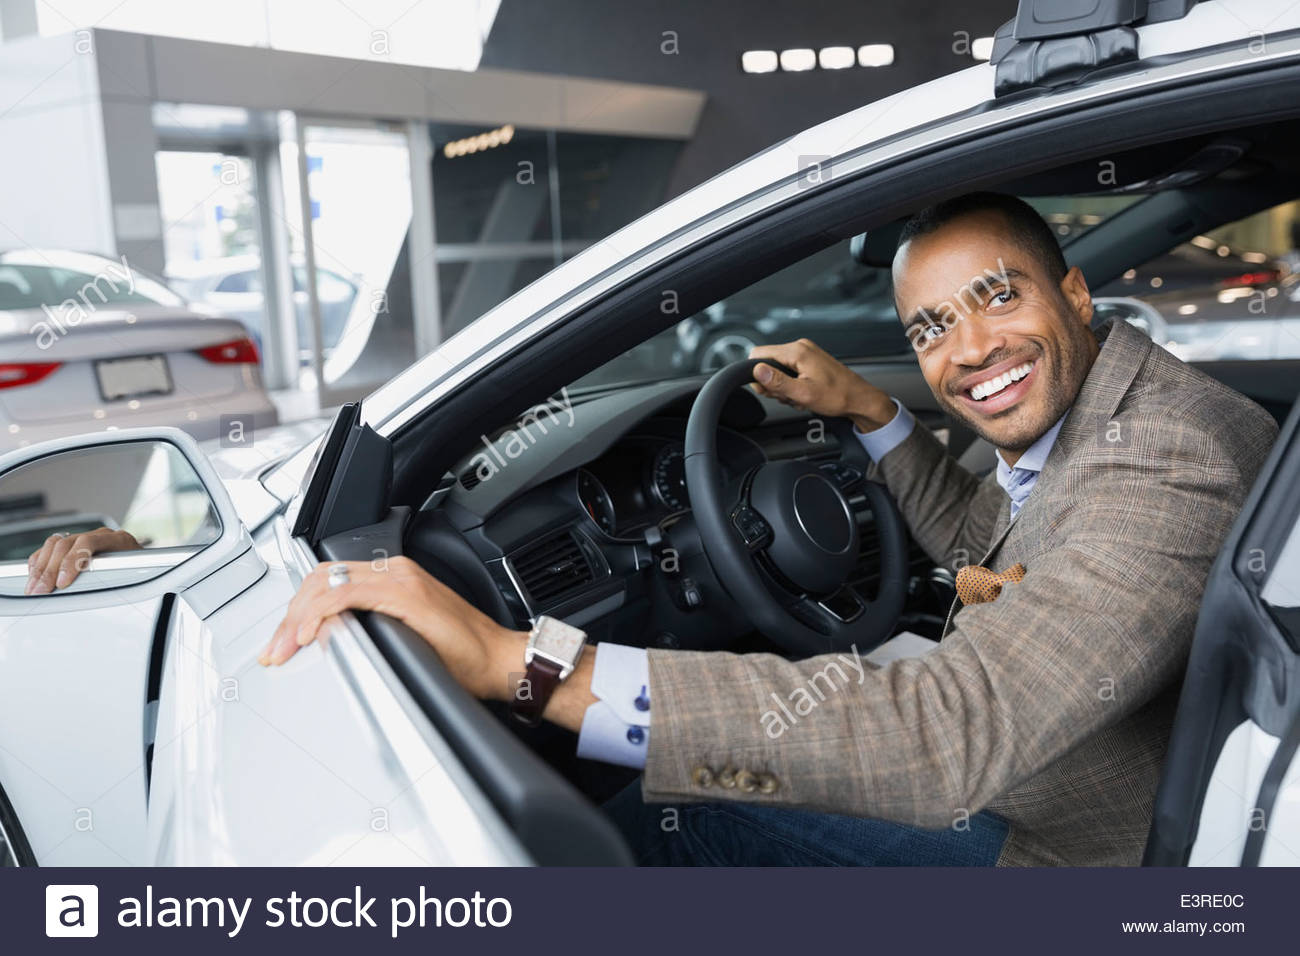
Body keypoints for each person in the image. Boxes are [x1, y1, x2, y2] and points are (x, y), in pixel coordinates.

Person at [265, 192, 1276, 865]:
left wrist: (524, 662)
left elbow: (945, 729)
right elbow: (989, 546)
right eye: (928, 327)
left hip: (1081, 849)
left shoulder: (1161, 456)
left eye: (995, 298)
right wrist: (877, 419)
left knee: (669, 813)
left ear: (1075, 291)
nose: (967, 351)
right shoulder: (1108, 414)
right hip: (1062, 772)